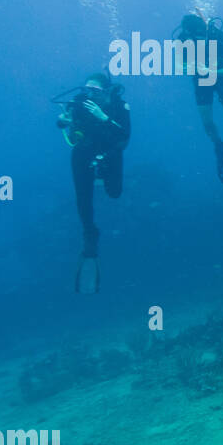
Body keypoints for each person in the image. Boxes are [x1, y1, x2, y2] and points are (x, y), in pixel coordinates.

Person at [55, 72, 130, 292]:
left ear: (106, 91)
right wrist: (62, 121)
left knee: (114, 192)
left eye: (95, 91)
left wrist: (103, 116)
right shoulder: (78, 102)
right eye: (87, 89)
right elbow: (62, 123)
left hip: (110, 152)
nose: (90, 94)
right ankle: (89, 233)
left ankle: (102, 174)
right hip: (84, 151)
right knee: (83, 198)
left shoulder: (119, 105)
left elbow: (125, 135)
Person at [171, 11, 223, 189]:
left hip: (221, 76)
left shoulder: (217, 36)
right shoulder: (182, 38)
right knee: (207, 123)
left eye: (201, 36)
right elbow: (179, 65)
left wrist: (211, 71)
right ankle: (219, 147)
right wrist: (193, 67)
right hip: (200, 79)